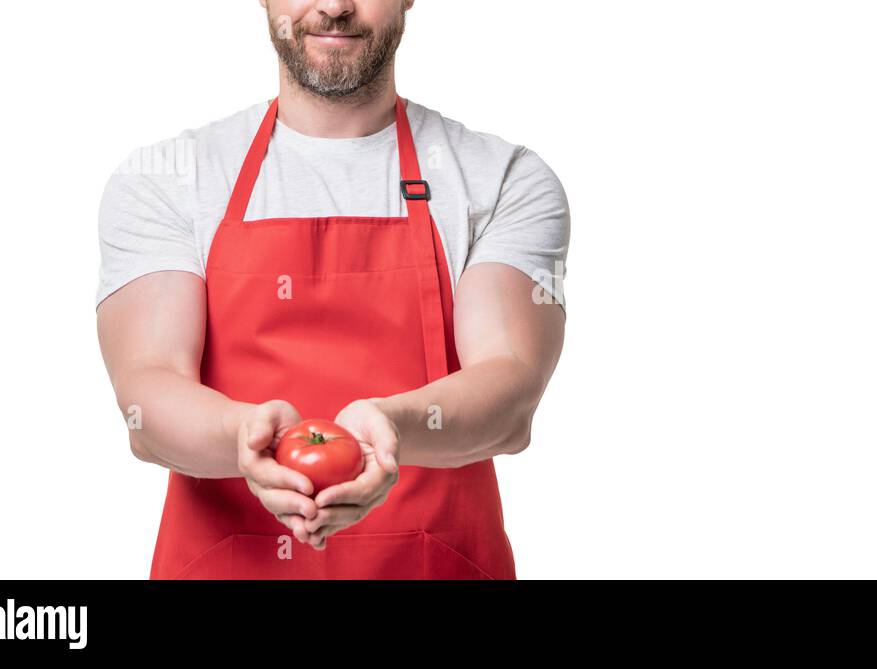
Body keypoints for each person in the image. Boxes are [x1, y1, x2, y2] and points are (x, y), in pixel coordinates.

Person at [95, 0, 568, 579]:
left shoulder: (501, 178)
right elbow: (147, 395)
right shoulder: (167, 179)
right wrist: (243, 437)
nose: (334, 7)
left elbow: (511, 391)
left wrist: (393, 428)